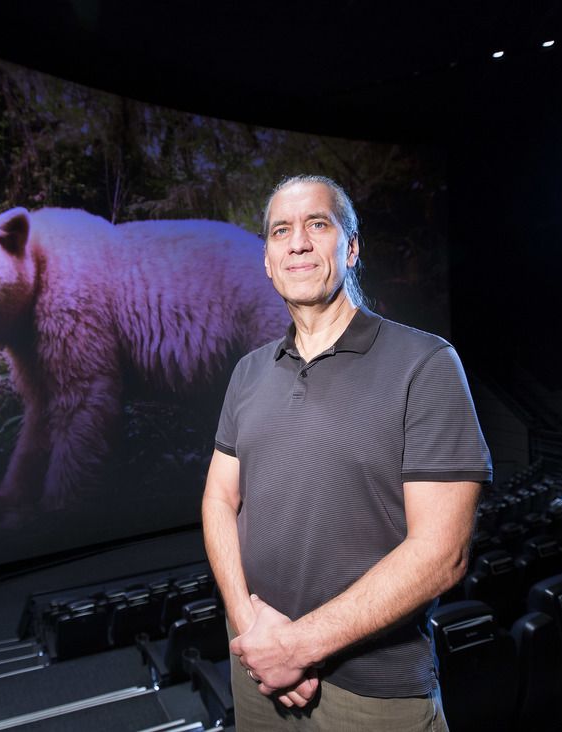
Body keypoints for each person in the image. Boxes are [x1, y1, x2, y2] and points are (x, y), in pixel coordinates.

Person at [202, 174, 492, 730]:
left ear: (352, 246)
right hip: (257, 668)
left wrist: (298, 647)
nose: (298, 243)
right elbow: (219, 498)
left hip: (373, 695)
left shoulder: (426, 362)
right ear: (266, 259)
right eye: (280, 231)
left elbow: (443, 552)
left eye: (318, 224)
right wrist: (249, 628)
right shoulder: (248, 371)